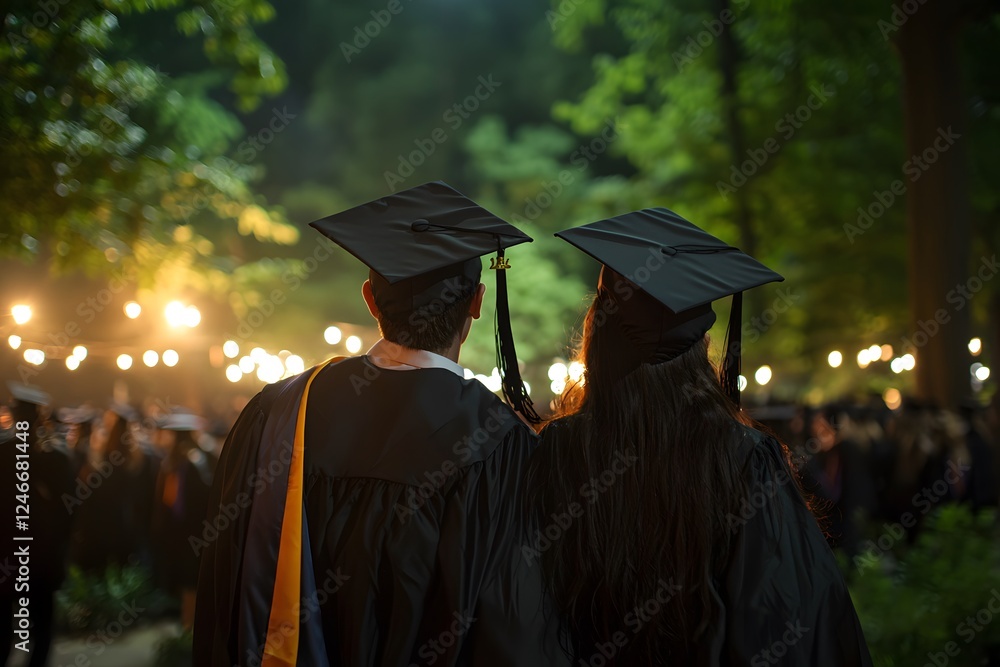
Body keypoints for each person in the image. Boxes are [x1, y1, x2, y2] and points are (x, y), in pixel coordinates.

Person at [194, 181, 564, 666]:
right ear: (476, 302)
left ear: (370, 298)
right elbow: (509, 630)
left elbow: (224, 592)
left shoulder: (277, 412)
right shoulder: (502, 444)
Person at [529, 208, 872, 665]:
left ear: (599, 333)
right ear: (700, 346)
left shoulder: (555, 450)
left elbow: (518, 610)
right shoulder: (744, 459)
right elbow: (789, 624)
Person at [0, 382, 75, 667]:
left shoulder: (4, 453)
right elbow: (70, 508)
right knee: (41, 627)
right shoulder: (55, 456)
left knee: (6, 624)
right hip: (43, 555)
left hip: (9, 554)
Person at [152, 410, 213, 629]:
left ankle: (190, 627)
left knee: (190, 581)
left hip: (189, 532)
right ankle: (188, 625)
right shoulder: (181, 461)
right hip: (187, 532)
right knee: (187, 581)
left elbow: (181, 502)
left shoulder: (190, 461)